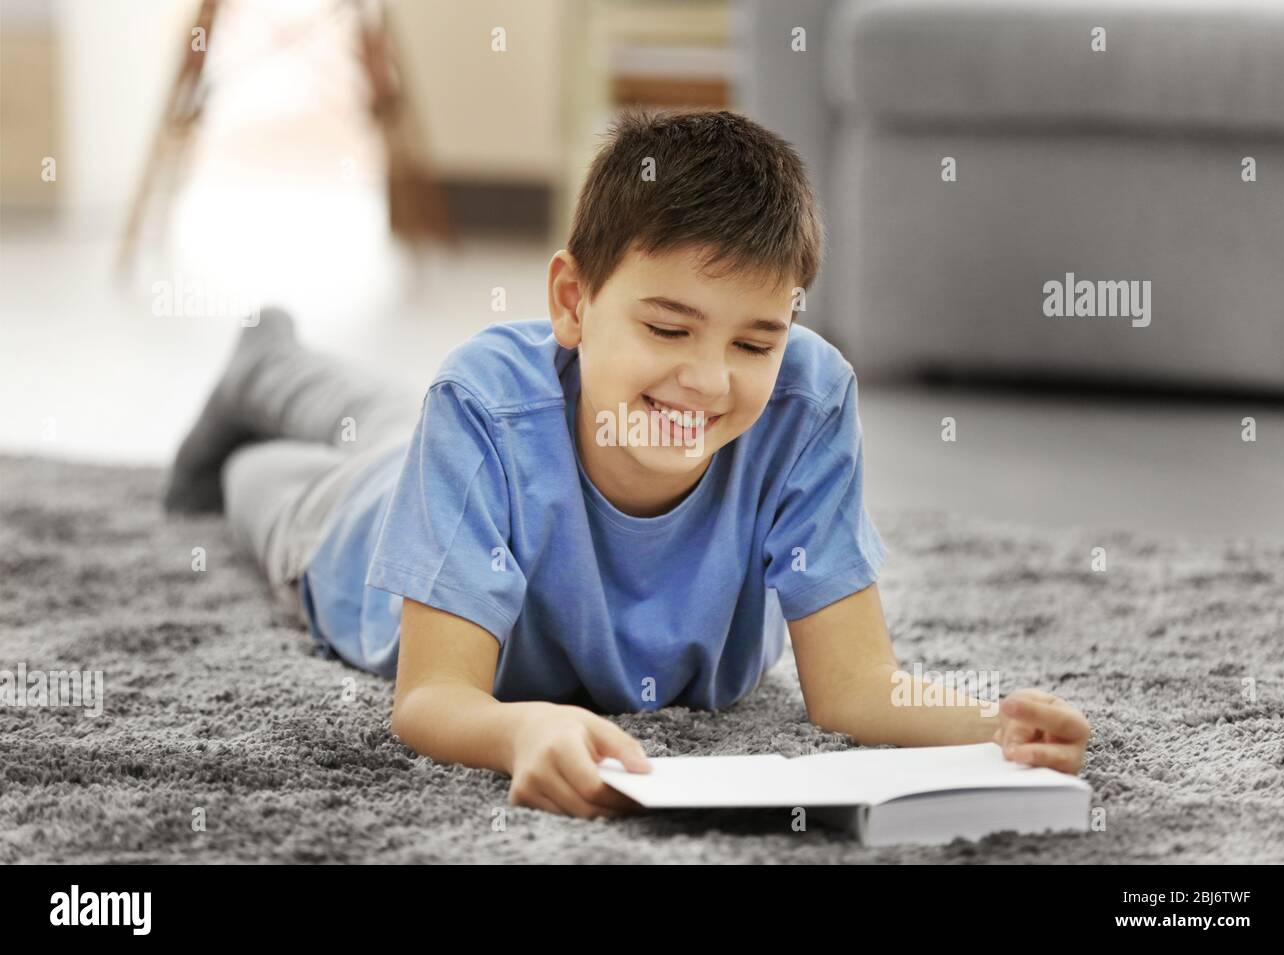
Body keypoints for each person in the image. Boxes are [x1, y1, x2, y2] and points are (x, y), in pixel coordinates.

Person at [164, 107, 1091, 820]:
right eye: (666, 326)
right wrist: (521, 723)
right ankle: (260, 371)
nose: (706, 378)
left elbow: (853, 687)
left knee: (380, 416)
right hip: (357, 519)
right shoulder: (484, 401)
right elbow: (433, 696)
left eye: (755, 342)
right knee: (283, 475)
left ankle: (269, 363)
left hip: (482, 433)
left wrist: (989, 721)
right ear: (572, 302)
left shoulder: (809, 401)